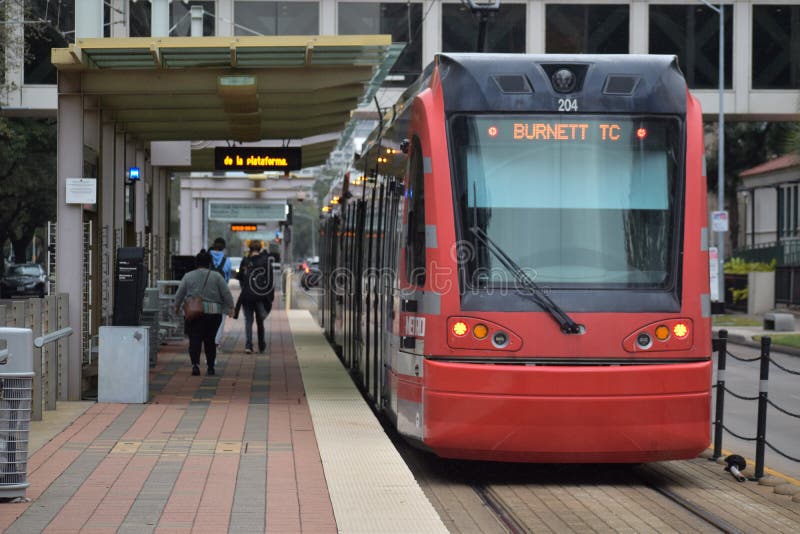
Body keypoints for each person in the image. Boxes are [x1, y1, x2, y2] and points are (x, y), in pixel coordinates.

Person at [174, 249, 234, 376]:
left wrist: (176, 306)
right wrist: (231, 307)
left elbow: (179, 294)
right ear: (210, 263)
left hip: (194, 313)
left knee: (194, 339)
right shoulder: (217, 276)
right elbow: (226, 293)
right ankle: (211, 367)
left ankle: (195, 365)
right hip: (214, 314)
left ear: (196, 263)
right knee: (210, 340)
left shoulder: (188, 276)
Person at [236, 241, 274, 353]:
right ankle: (261, 345)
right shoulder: (265, 261)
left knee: (248, 321)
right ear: (260, 248)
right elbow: (270, 280)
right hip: (260, 296)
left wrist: (245, 288)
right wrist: (269, 296)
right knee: (260, 321)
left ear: (250, 248)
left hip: (247, 295)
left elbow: (241, 278)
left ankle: (248, 345)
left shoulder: (245, 261)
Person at [209, 237, 232, 347]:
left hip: (206, 293)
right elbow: (227, 279)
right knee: (221, 319)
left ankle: (208, 339)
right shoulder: (227, 261)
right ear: (224, 248)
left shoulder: (206, 258)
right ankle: (216, 342)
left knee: (207, 316)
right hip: (221, 294)